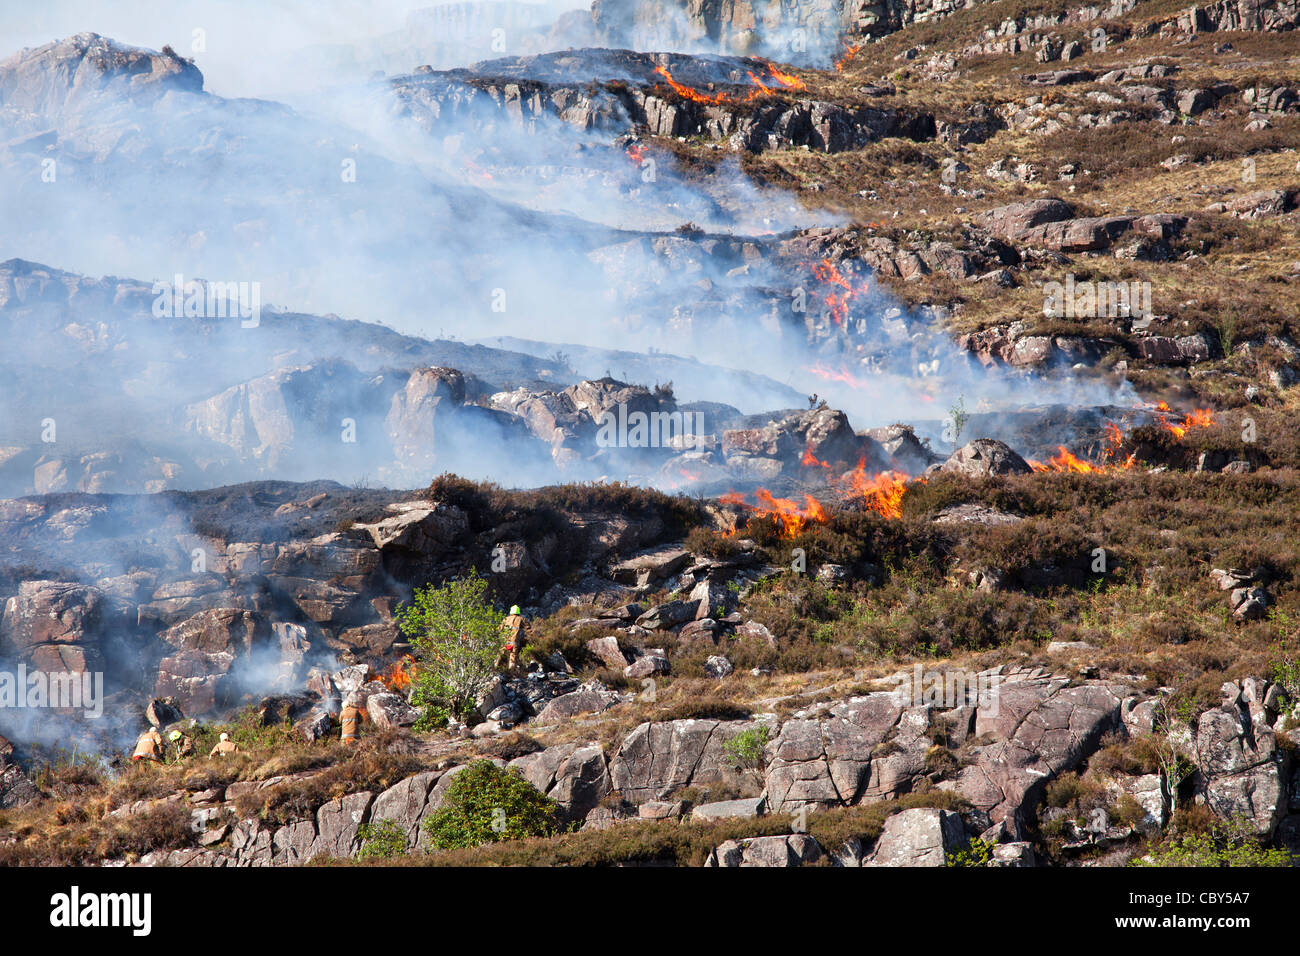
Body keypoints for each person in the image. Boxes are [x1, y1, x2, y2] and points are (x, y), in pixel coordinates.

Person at [496, 605, 526, 673]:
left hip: (505, 641)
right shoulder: (521, 619)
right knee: (513, 656)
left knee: (499, 655)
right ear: (518, 612)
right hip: (514, 642)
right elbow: (528, 630)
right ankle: (511, 671)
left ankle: (495, 668)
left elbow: (499, 629)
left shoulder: (505, 619)